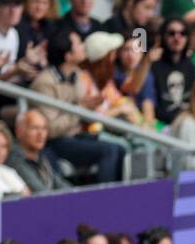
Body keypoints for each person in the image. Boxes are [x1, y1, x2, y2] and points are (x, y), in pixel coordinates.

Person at [30, 29, 126, 183]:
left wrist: (90, 106)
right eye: (79, 45)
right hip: (56, 142)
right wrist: (80, 109)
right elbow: (50, 129)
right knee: (110, 151)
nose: (83, 47)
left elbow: (79, 108)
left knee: (121, 149)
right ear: (68, 56)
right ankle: (106, 202)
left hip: (77, 136)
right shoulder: (45, 83)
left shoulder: (76, 76)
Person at [151, 17, 195, 127]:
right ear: (163, 36)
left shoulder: (191, 67)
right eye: (172, 33)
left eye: (183, 33)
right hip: (161, 125)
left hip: (187, 123)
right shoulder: (154, 66)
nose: (177, 38)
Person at [6, 108, 68, 193]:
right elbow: (41, 192)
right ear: (19, 131)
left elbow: (60, 184)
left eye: (44, 128)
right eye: (34, 128)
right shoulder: (14, 158)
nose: (41, 134)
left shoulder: (42, 156)